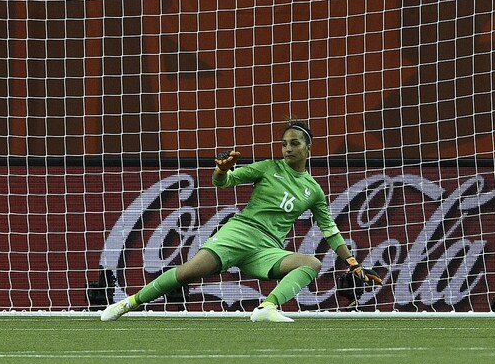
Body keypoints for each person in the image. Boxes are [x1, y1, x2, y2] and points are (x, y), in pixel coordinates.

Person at [101, 119, 382, 322]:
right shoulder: (268, 168)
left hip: (267, 248)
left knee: (311, 264)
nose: (287, 149)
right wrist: (221, 171)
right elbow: (225, 182)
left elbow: (329, 230)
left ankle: (267, 308)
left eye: (294, 144)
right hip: (240, 233)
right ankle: (129, 303)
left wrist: (353, 263)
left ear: (309, 149)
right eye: (284, 144)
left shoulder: (314, 190)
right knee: (188, 273)